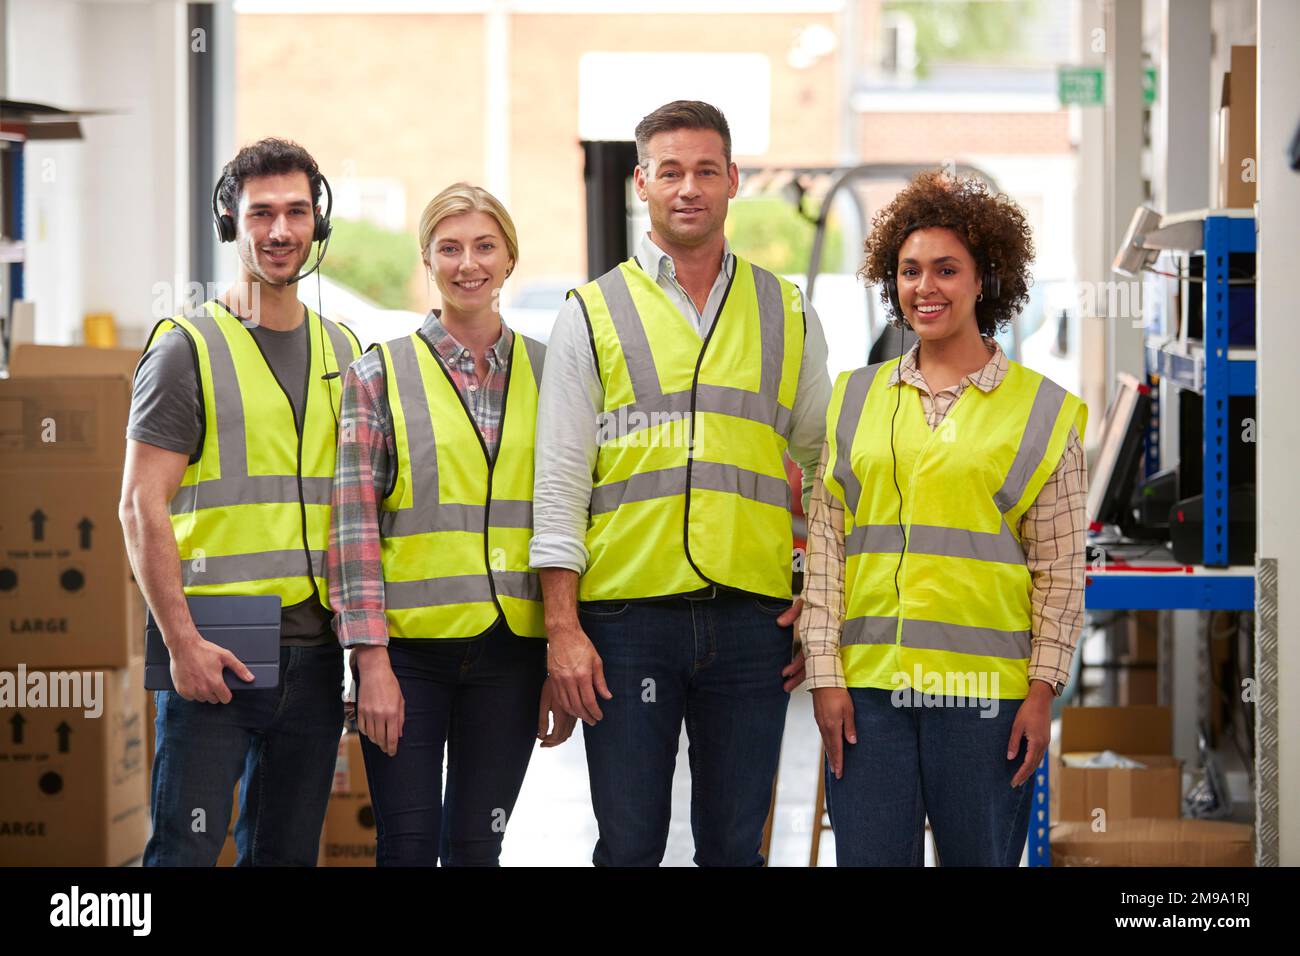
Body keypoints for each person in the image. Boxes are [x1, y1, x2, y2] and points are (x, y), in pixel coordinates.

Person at [531, 100, 832, 867]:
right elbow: (560, 483)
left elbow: (833, 468)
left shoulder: (786, 310)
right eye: (670, 171)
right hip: (627, 623)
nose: (688, 187)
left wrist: (823, 595)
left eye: (706, 170)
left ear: (733, 180)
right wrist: (563, 629)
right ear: (642, 183)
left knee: (734, 850)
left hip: (752, 624)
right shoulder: (590, 314)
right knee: (628, 846)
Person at [804, 171, 1088, 866]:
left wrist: (1042, 693)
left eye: (945, 270)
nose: (924, 288)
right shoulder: (854, 397)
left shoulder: (1044, 413)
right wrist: (825, 678)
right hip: (871, 694)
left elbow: (1059, 574)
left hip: (987, 700)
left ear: (986, 279)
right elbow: (827, 549)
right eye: (908, 271)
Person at [121, 138, 361, 866]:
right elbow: (139, 507)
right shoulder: (185, 347)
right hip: (215, 642)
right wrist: (182, 642)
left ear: (317, 223)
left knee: (286, 856)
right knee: (185, 853)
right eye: (261, 213)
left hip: (315, 649)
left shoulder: (344, 351)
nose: (281, 231)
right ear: (231, 221)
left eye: (296, 212)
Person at [329, 182, 574, 867]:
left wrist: (559, 650)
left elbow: (567, 512)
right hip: (408, 657)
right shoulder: (378, 375)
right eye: (450, 248)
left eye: (485, 246)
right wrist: (368, 661)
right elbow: (353, 530)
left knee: (477, 846)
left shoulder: (553, 373)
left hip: (512, 652)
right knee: (405, 849)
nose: (469, 263)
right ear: (428, 261)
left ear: (509, 259)